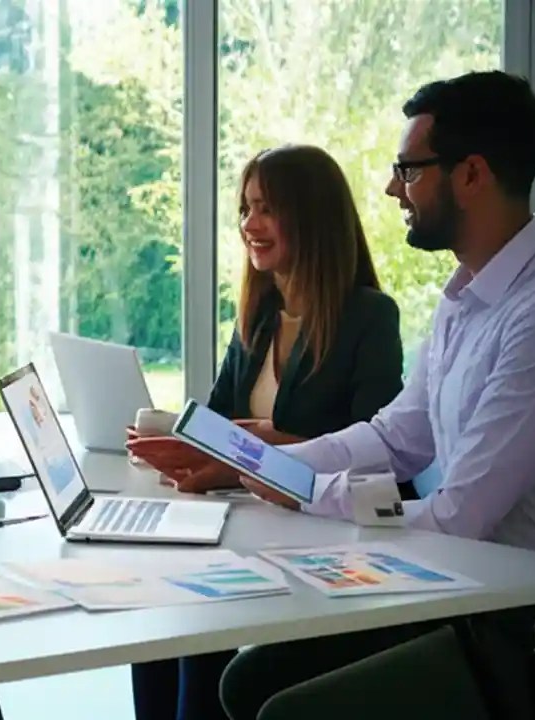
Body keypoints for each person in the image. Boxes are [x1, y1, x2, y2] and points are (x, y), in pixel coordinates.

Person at [221, 70, 535, 719]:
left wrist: (307, 491)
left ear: (471, 174)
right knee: (250, 679)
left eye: (408, 170)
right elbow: (395, 439)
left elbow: (458, 515)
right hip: (468, 597)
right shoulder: (467, 301)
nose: (391, 188)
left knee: (281, 704)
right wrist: (277, 466)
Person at [128, 144, 404, 720]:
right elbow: (219, 417)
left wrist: (265, 444)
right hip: (252, 524)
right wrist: (173, 440)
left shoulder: (370, 317)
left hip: (326, 539)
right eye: (246, 208)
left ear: (312, 218)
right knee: (153, 616)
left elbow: (376, 448)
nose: (250, 225)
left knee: (201, 632)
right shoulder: (258, 315)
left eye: (267, 209)